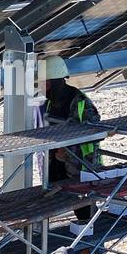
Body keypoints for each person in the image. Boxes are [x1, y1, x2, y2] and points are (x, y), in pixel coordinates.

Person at [38, 56, 101, 237]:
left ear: (55, 81)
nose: (42, 86)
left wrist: (67, 154)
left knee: (84, 212)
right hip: (56, 167)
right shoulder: (50, 102)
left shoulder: (80, 102)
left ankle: (91, 251)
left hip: (81, 168)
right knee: (51, 204)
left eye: (45, 82)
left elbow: (94, 134)